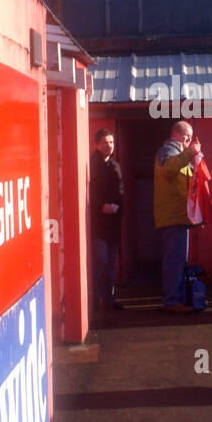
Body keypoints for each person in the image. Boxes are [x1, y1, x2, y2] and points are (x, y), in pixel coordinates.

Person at [154, 120, 200, 310]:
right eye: (187, 137)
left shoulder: (180, 156)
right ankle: (172, 301)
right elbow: (170, 169)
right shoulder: (167, 152)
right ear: (179, 135)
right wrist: (190, 154)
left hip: (180, 217)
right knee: (174, 260)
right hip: (173, 217)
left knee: (178, 259)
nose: (189, 141)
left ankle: (175, 298)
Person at [90, 129, 124, 311]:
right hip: (97, 224)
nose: (109, 146)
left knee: (111, 263)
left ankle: (109, 299)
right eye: (105, 142)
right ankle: (96, 300)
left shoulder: (115, 166)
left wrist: (117, 206)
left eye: (111, 142)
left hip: (112, 224)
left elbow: (121, 192)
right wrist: (100, 206)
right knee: (100, 262)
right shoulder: (91, 165)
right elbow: (88, 193)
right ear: (96, 144)